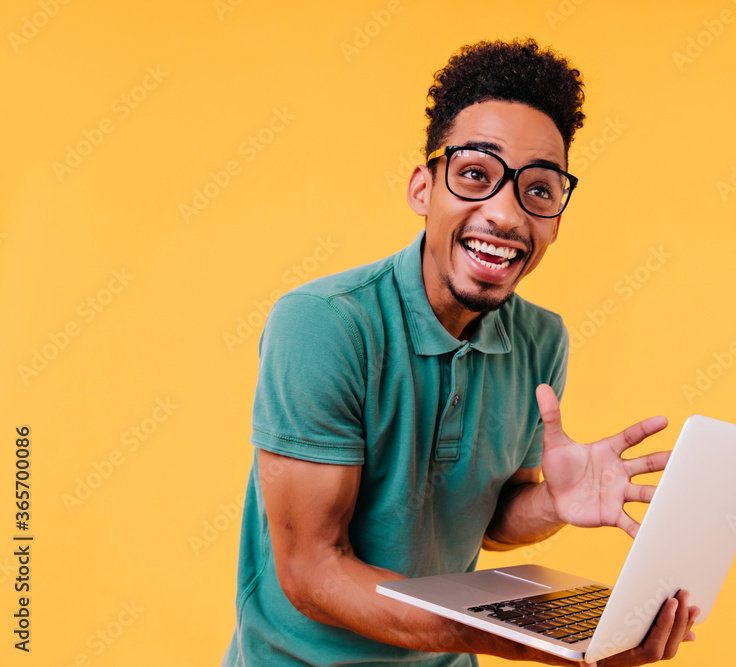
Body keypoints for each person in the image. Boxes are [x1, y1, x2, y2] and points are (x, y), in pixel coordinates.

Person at [222, 38, 698, 666]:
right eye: (476, 174)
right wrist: (528, 639)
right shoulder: (322, 325)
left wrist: (553, 503)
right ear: (424, 188)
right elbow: (312, 571)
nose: (504, 213)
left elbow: (492, 520)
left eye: (538, 189)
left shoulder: (541, 340)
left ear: (556, 218)